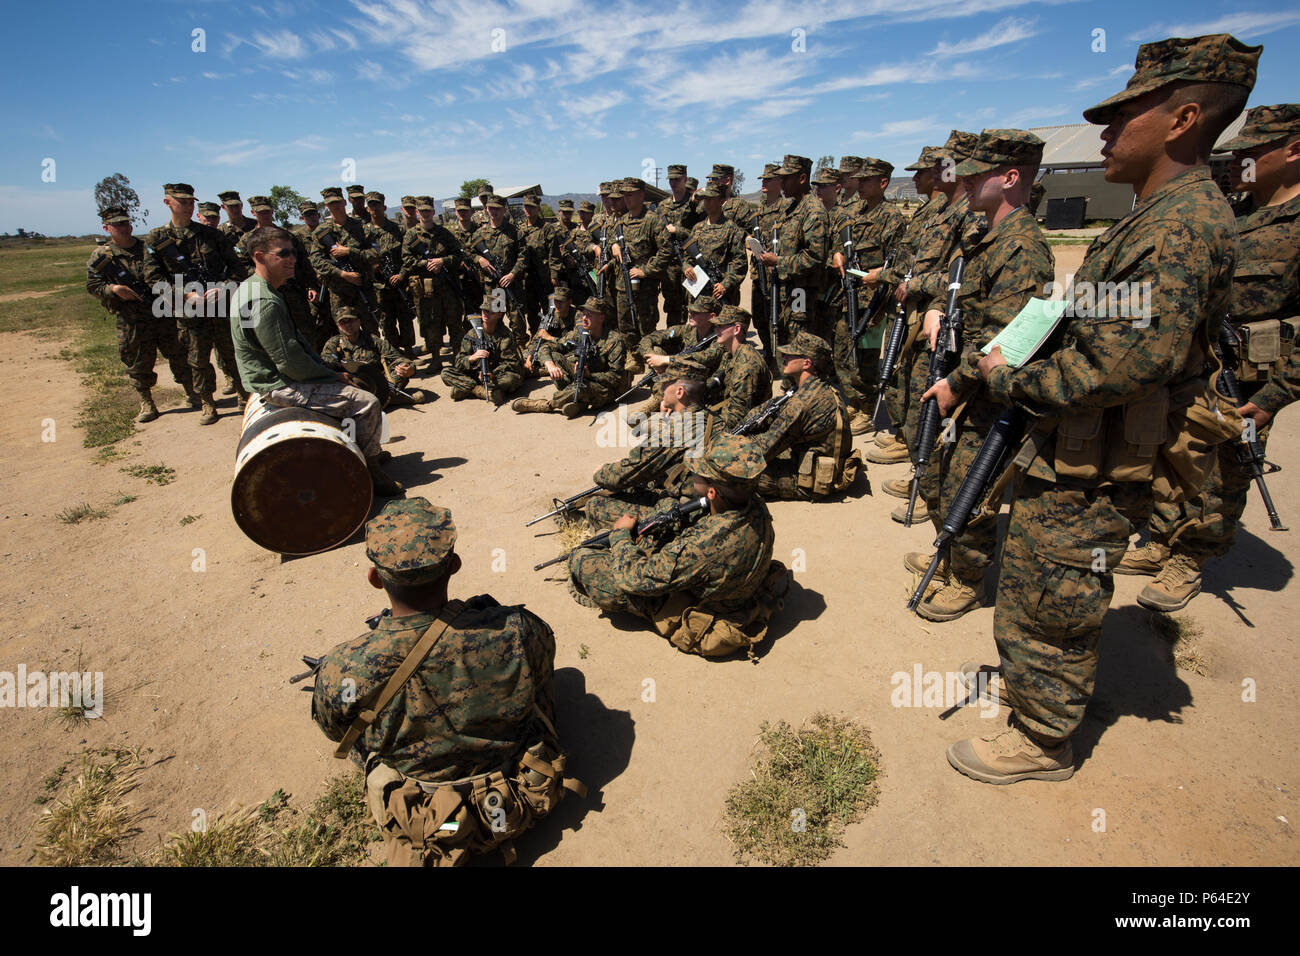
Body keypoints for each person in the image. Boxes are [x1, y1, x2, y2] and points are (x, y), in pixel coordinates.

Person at [946, 33, 1260, 785]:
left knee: (1054, 592)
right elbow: (1097, 319)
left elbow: (1129, 362)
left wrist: (1005, 379)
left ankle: (1044, 738)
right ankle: (1034, 696)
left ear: (1184, 119)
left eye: (1124, 117)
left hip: (1099, 453)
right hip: (1080, 442)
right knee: (1039, 583)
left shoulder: (1180, 224)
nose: (1106, 133)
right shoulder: (1153, 213)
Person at [310, 497, 582, 866]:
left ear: (374, 579)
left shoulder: (344, 666)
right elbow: (543, 671)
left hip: (433, 823)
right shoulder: (519, 629)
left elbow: (334, 729)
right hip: (514, 799)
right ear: (453, 565)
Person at [1117, 103, 1300, 611]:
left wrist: (1273, 398)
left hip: (1246, 377)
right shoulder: (1231, 212)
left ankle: (1192, 558)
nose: (1239, 159)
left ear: (1294, 150)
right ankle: (1159, 537)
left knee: (1223, 468)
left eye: (1252, 150)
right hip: (1192, 360)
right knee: (1170, 450)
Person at [911, 129, 1055, 623]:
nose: (965, 182)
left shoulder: (1023, 249)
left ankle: (966, 577)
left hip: (987, 392)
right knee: (936, 472)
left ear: (1011, 178)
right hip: (957, 376)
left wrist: (957, 383)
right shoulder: (981, 236)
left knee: (971, 486)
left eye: (977, 175)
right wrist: (933, 308)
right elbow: (952, 287)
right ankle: (948, 554)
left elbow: (1008, 339)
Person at [567, 434, 784, 658]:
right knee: (599, 506)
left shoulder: (701, 547)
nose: (694, 473)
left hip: (691, 600)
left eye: (700, 472)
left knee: (582, 559)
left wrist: (621, 537)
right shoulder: (752, 502)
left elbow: (631, 578)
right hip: (718, 568)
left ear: (712, 492)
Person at [229, 224, 403, 497]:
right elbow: (289, 362)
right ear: (259, 256)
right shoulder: (265, 301)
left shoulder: (253, 289)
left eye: (294, 252)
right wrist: (333, 377)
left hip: (269, 375)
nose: (292, 259)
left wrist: (327, 368)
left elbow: (294, 344)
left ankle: (360, 450)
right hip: (278, 383)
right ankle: (369, 469)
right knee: (366, 402)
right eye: (283, 253)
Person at [144, 182, 250, 424]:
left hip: (220, 308)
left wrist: (223, 288)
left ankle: (245, 397)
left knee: (233, 354)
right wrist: (184, 295)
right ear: (167, 202)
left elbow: (237, 270)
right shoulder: (157, 238)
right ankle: (207, 403)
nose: (189, 206)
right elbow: (152, 278)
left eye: (191, 202)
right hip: (189, 312)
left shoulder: (212, 235)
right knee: (198, 360)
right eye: (182, 202)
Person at [86, 204, 198, 422]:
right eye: (118, 224)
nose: (124, 227)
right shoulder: (101, 256)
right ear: (106, 227)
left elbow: (168, 272)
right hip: (132, 318)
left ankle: (192, 393)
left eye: (126, 223)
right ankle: (147, 402)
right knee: (138, 361)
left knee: (179, 353)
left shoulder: (148, 247)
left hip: (162, 311)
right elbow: (92, 285)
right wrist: (114, 290)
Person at [584, 357, 722, 527]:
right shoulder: (713, 419)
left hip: (688, 509)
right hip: (711, 500)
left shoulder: (677, 429)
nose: (661, 388)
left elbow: (629, 472)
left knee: (595, 505)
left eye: (665, 385)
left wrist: (601, 473)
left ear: (680, 392)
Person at [749, 332, 864, 500]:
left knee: (731, 475)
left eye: (791, 355)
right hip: (820, 462)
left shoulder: (802, 402)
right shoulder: (820, 387)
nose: (784, 357)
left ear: (807, 363)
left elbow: (761, 452)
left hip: (810, 481)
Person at [512, 296, 627, 417]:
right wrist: (550, 365)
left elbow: (617, 377)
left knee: (580, 389)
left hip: (603, 387)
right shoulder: (580, 333)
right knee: (555, 357)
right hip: (579, 377)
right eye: (584, 314)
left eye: (589, 315)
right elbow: (547, 347)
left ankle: (546, 405)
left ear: (601, 317)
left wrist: (590, 375)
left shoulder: (615, 341)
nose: (584, 318)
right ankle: (578, 402)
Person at [757, 154, 829, 343]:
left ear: (802, 179)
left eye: (785, 178)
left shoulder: (814, 211)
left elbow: (814, 257)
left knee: (797, 346)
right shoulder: (791, 209)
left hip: (801, 293)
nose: (781, 183)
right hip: (783, 292)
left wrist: (778, 262)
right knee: (781, 346)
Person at [321, 303, 430, 408]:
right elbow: (326, 368)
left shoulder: (372, 340)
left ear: (358, 322)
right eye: (343, 322)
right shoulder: (333, 344)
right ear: (338, 326)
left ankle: (372, 402)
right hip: (349, 385)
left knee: (398, 372)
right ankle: (393, 400)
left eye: (351, 321)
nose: (348, 325)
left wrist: (409, 368)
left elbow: (396, 358)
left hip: (377, 383)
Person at [400, 196, 465, 369]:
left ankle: (458, 357)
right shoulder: (411, 235)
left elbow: (458, 256)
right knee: (430, 323)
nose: (425, 214)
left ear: (433, 212)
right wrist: (426, 264)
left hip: (447, 286)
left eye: (428, 210)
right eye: (422, 211)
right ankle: (435, 358)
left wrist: (442, 261)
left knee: (454, 321)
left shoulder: (444, 234)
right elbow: (406, 260)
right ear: (417, 212)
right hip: (426, 288)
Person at [441, 294, 524, 404]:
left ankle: (467, 389)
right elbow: (458, 362)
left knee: (513, 379)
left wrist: (492, 374)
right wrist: (472, 358)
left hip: (496, 375)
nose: (486, 314)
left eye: (490, 312)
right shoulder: (472, 334)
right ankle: (480, 391)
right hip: (475, 374)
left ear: (499, 314)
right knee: (446, 373)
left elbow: (511, 363)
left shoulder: (505, 336)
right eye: (484, 311)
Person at [710, 305, 773, 429]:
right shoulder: (730, 354)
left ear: (736, 329)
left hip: (745, 431)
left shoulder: (746, 366)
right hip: (728, 415)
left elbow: (736, 418)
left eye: (721, 326)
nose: (716, 329)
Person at [523, 284, 576, 377]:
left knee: (571, 358)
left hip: (570, 349)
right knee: (526, 354)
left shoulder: (578, 316)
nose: (557, 304)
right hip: (553, 348)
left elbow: (574, 341)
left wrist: (549, 337)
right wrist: (529, 359)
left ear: (569, 302)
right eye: (555, 301)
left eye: (561, 301)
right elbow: (536, 339)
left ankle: (545, 369)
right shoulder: (550, 316)